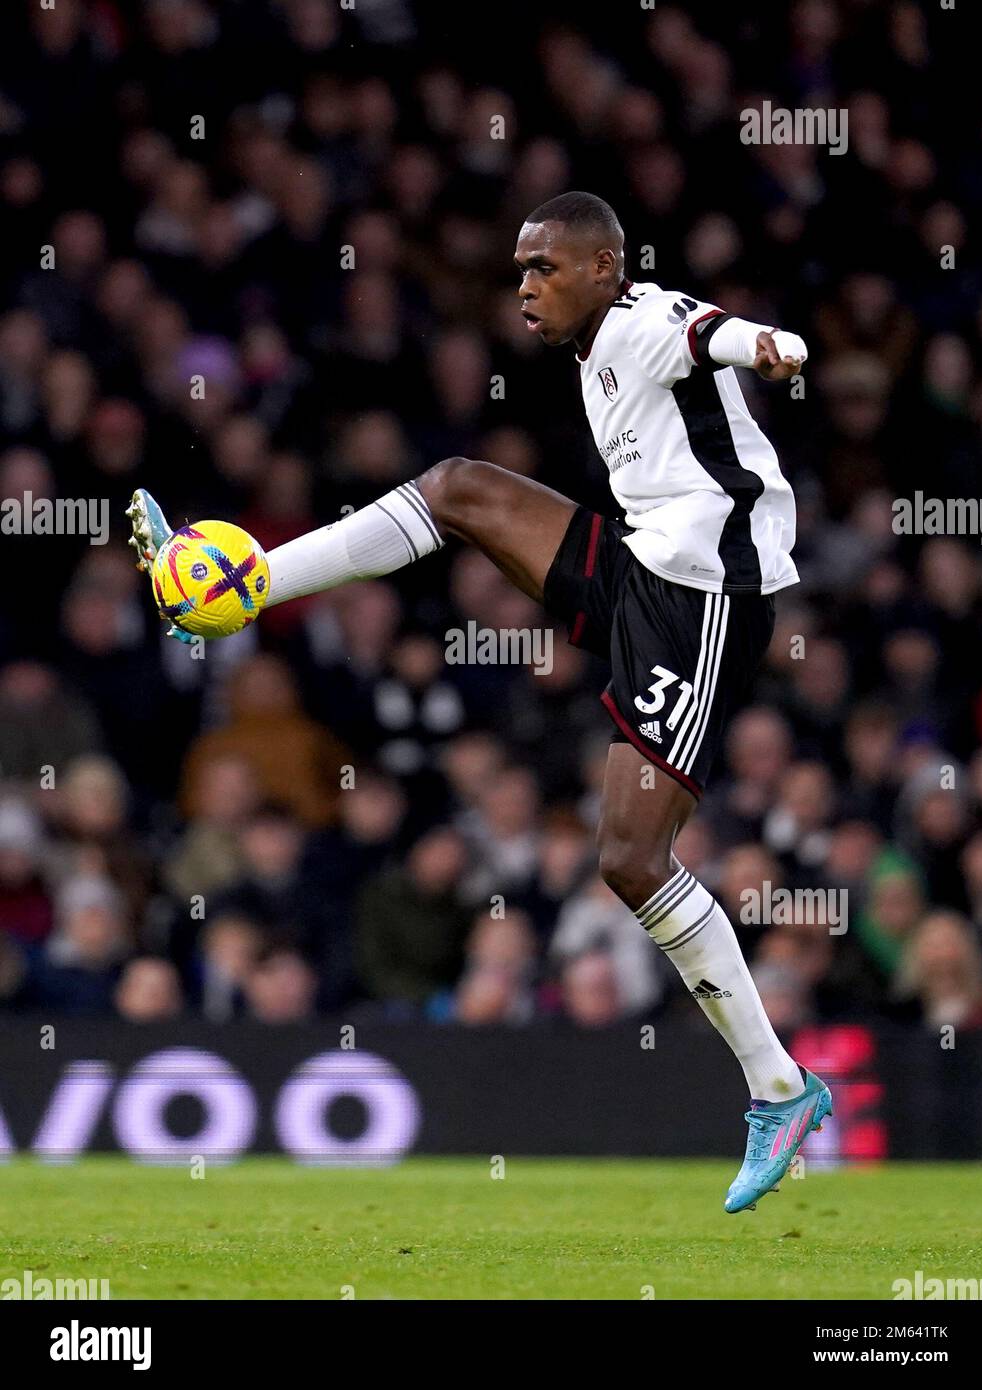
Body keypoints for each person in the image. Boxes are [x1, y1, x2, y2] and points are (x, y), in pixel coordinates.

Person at [128, 190, 830, 1212]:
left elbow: (709, 331)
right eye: (517, 270)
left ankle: (778, 1087)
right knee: (457, 485)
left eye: (543, 267)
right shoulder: (593, 347)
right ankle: (244, 590)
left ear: (602, 267)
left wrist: (774, 348)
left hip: (701, 600)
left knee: (629, 859)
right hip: (641, 564)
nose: (525, 288)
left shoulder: (638, 321)